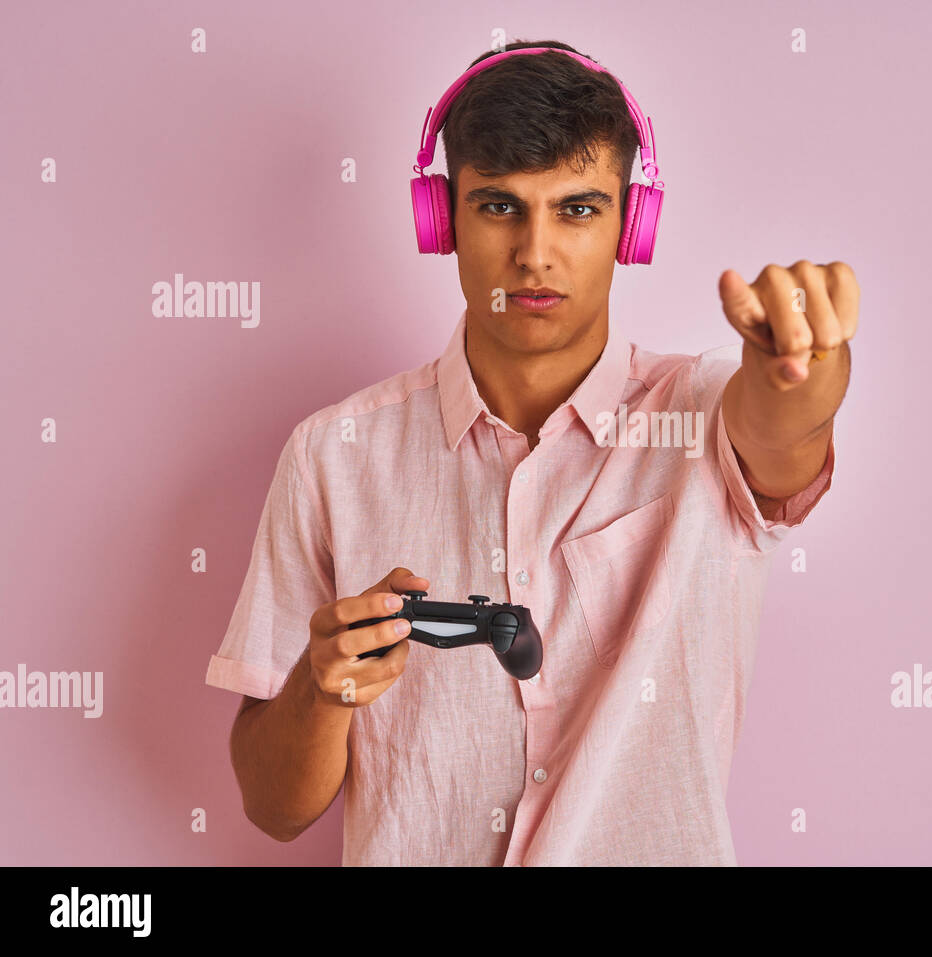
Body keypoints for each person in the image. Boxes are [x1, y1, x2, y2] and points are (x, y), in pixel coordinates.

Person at [205, 39, 855, 865]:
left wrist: (806, 364)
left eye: (578, 208)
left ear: (632, 223)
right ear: (441, 219)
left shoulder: (702, 416)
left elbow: (787, 424)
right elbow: (273, 807)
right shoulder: (332, 455)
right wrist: (321, 683)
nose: (536, 253)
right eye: (499, 206)